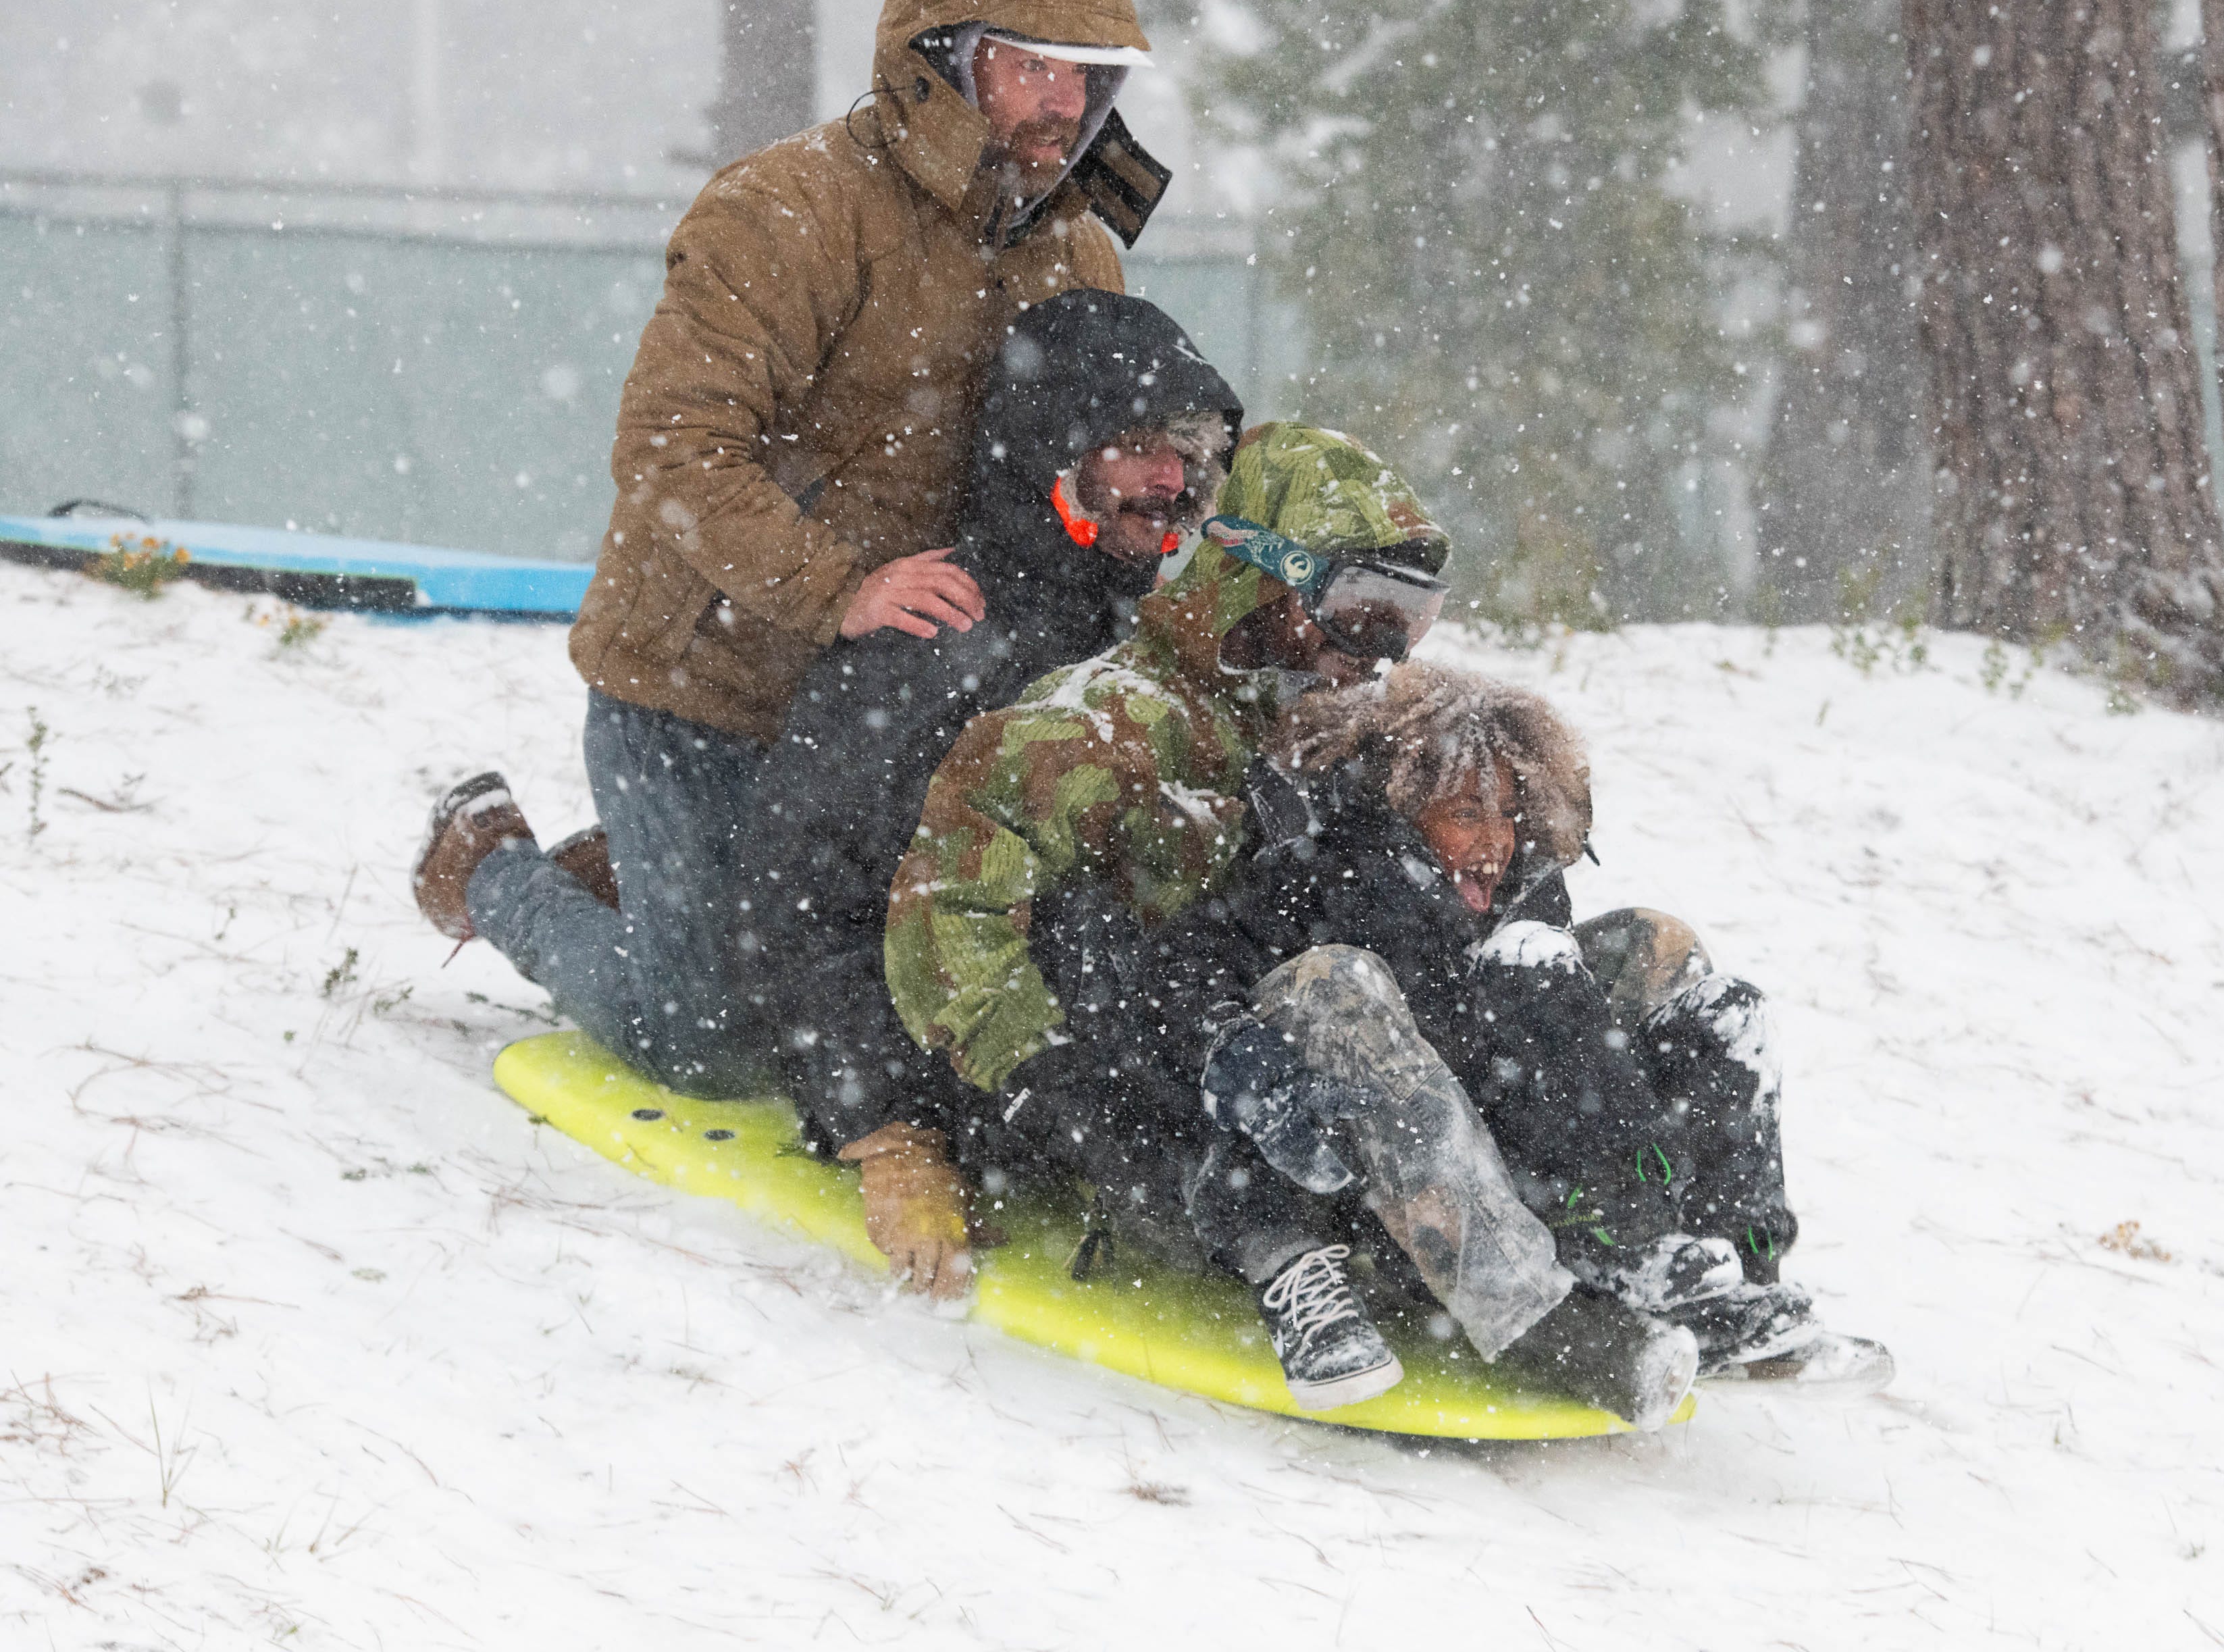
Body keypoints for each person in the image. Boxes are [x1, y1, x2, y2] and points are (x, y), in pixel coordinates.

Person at [409, 0, 1175, 1095]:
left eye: (1087, 76)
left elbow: (1087, 469)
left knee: (922, 1000)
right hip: (703, 688)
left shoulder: (1078, 247)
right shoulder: (786, 210)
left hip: (893, 711)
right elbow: (672, 449)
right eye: (1033, 66)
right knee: (714, 1040)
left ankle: (661, 884)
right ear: (943, 59)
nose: (1065, 104)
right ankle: (492, 866)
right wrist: (840, 587)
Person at [864, 423, 1703, 1426]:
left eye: (1410, 617)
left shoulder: (1346, 719)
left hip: (1369, 1081)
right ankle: (1526, 1314)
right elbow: (947, 918)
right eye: (1364, 608)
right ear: (1261, 577)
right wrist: (1049, 1096)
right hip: (1185, 1112)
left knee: (1653, 952)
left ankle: (1667, 1242)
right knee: (1333, 985)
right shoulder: (1089, 731)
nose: (1383, 648)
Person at [1152, 660, 1894, 1390]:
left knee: (1694, 978)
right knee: (1372, 972)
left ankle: (1728, 1280)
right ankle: (1574, 1290)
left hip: (1528, 1152)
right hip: (1394, 1185)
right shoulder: (1322, 875)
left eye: (1507, 812)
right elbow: (1185, 968)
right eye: (1466, 814)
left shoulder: (1521, 890)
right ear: (1405, 808)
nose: (1495, 841)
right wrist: (1238, 1053)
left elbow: (1560, 1061)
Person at [735, 288, 1241, 1172]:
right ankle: (503, 870)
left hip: (1063, 1032)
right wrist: (886, 1125)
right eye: (1137, 446)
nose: (1169, 478)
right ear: (1054, 452)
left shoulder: (1144, 631)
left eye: (1187, 453)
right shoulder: (944, 633)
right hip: (942, 1043)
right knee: (672, 1026)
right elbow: (803, 887)